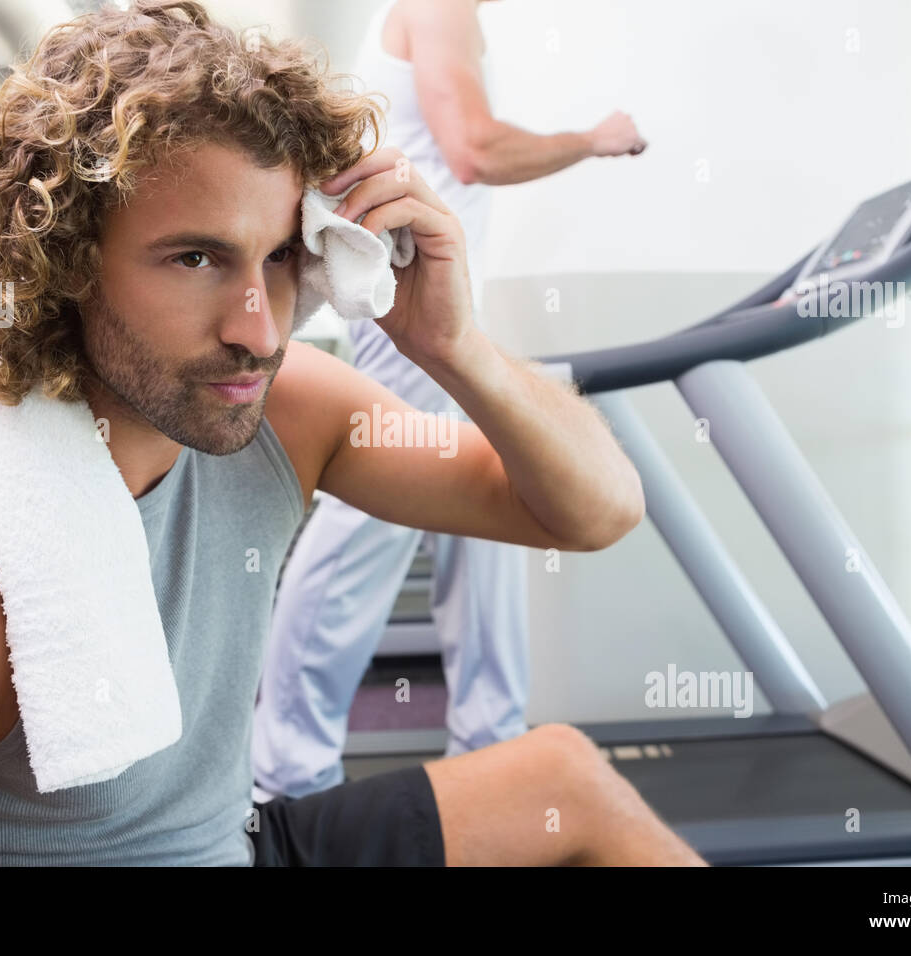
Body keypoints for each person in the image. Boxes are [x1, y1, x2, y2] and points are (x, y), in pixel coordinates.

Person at [0, 0, 701, 867]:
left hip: (234, 842)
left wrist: (453, 347)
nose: (261, 327)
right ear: (65, 260)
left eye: (281, 256)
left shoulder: (287, 412)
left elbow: (596, 511)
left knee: (566, 778)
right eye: (196, 258)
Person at [253, 0, 648, 799]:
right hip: (406, 301)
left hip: (433, 302)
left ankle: (488, 742)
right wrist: (593, 139)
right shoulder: (438, 7)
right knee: (367, 526)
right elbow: (472, 149)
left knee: (496, 519)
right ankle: (286, 766)